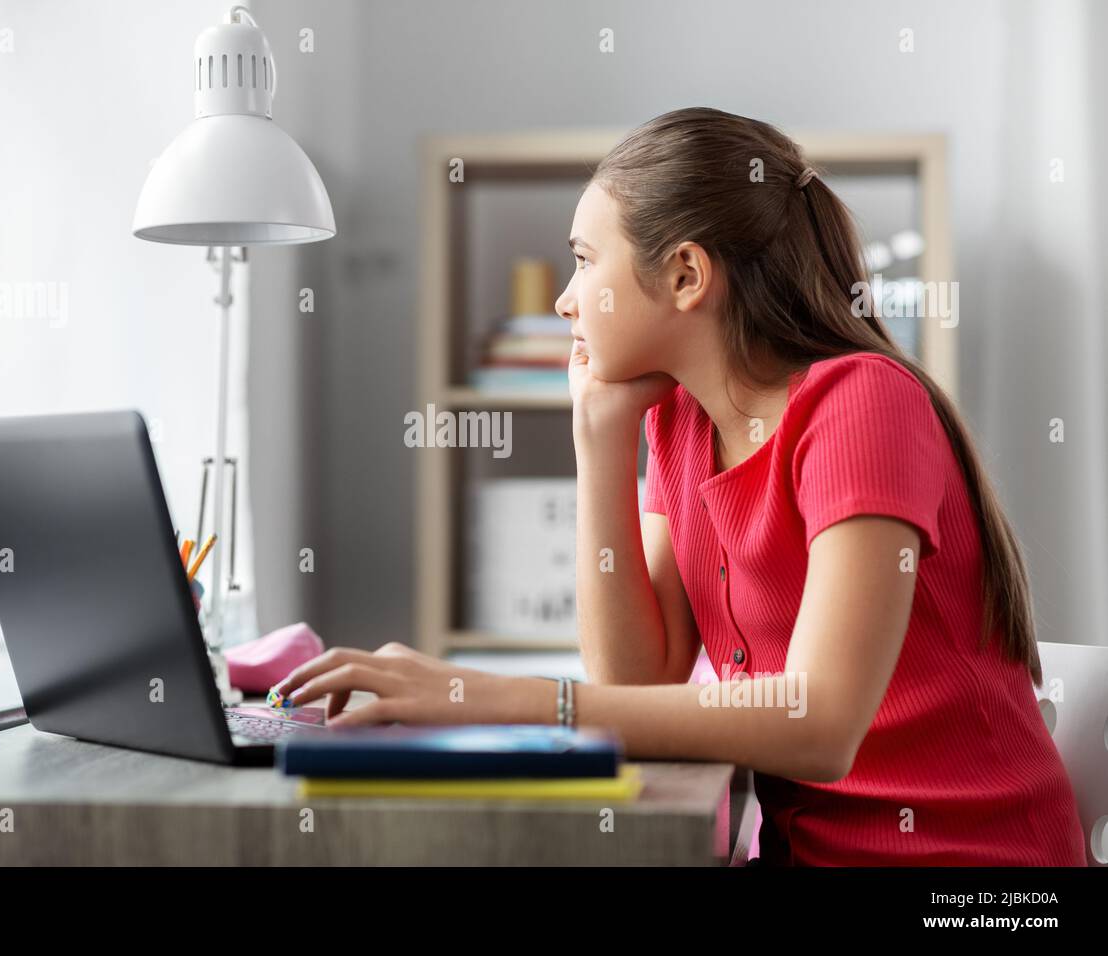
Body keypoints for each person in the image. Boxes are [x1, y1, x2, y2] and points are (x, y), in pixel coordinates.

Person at [273, 108, 1086, 866]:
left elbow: (821, 723)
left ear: (687, 275)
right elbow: (639, 684)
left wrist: (489, 696)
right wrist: (599, 442)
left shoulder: (860, 402)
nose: (563, 300)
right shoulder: (680, 424)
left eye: (586, 261)